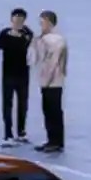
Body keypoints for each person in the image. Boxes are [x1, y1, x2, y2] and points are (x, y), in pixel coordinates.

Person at [0, 7, 34, 147]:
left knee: (23, 104)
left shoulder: (28, 34)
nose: (18, 22)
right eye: (16, 20)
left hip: (23, 74)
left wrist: (23, 36)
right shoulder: (4, 34)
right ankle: (8, 133)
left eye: (21, 20)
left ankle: (21, 132)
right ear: (11, 20)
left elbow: (31, 46)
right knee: (7, 104)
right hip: (8, 74)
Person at [32, 11, 67, 153]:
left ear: (50, 22)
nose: (41, 25)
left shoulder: (57, 40)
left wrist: (47, 79)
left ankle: (56, 141)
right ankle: (51, 139)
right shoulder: (42, 39)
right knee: (48, 111)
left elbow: (54, 62)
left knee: (54, 111)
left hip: (53, 81)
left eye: (43, 22)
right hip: (46, 80)